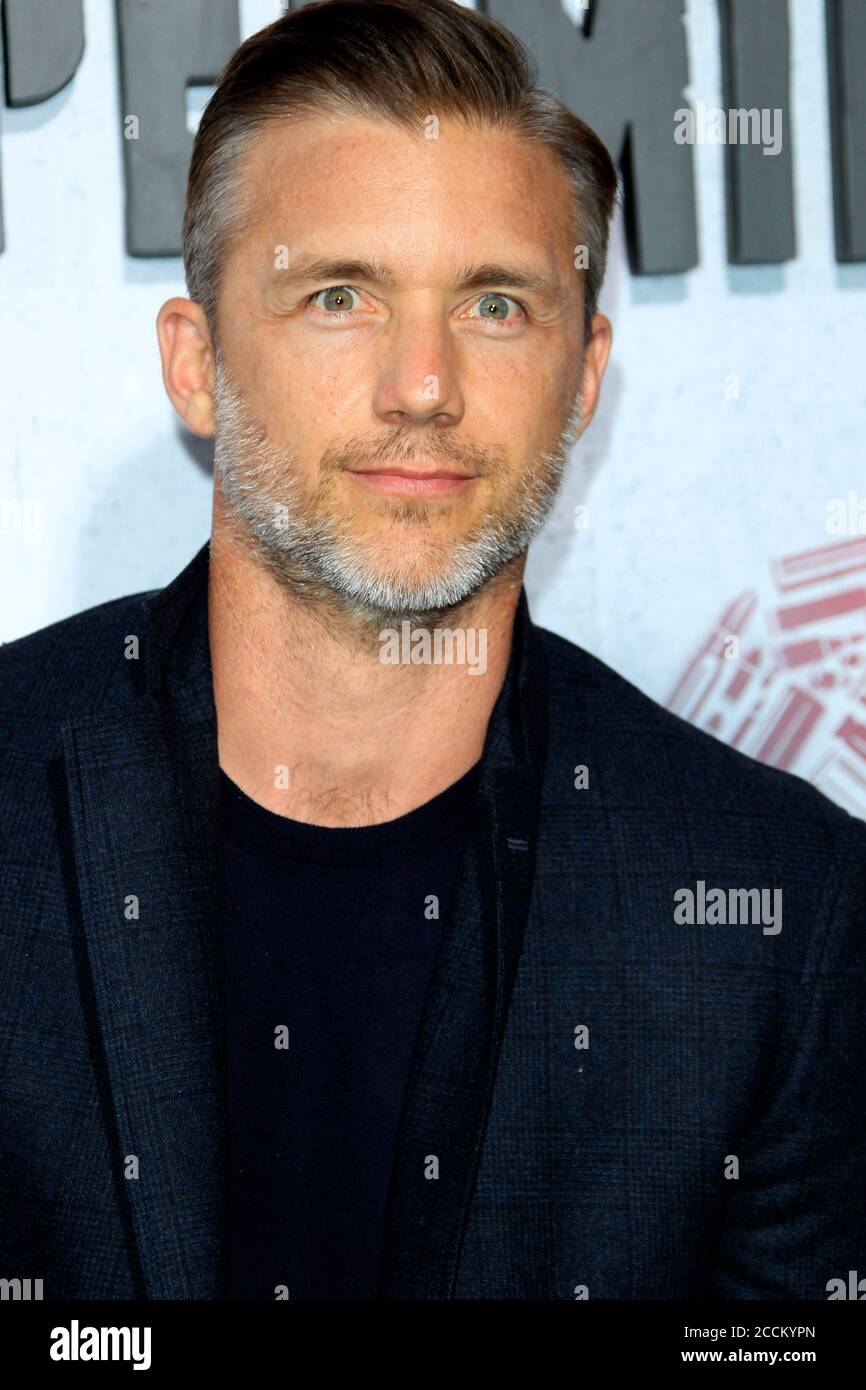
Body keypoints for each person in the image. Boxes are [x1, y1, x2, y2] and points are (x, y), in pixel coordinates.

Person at [1, 0, 864, 1301]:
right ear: (196, 363)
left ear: (582, 376)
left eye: (498, 305)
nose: (422, 383)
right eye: (338, 295)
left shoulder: (781, 911)